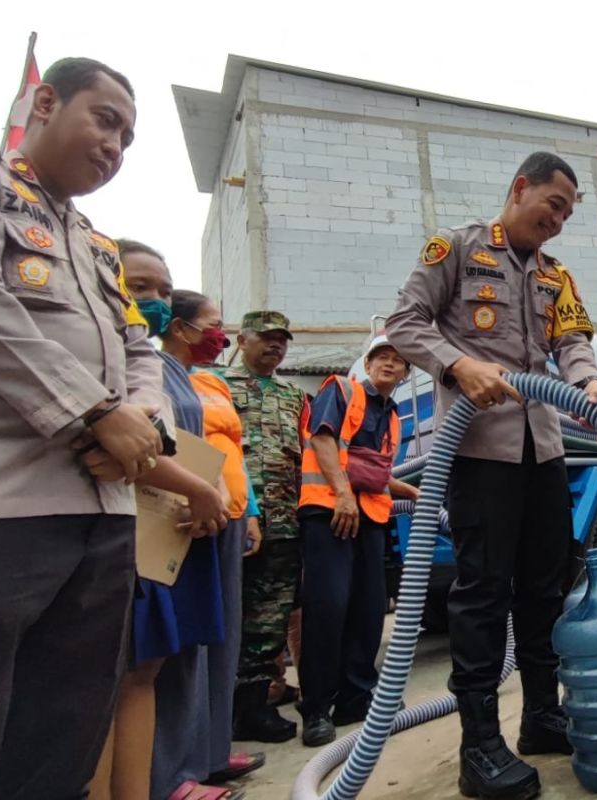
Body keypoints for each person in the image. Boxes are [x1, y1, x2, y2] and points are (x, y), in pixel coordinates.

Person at [386, 151, 597, 800]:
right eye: (554, 205)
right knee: (483, 593)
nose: (560, 221)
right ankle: (479, 745)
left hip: (543, 450)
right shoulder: (455, 249)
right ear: (519, 189)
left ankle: (543, 715)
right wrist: (458, 364)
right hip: (478, 451)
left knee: (545, 588)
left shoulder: (554, 274)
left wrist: (587, 382)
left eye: (569, 212)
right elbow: (404, 322)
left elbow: (571, 342)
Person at [0, 57, 168, 799]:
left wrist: (142, 421)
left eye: (127, 138)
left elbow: (137, 348)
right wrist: (93, 414)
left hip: (105, 512)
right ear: (47, 101)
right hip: (8, 508)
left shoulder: (96, 243)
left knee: (64, 730)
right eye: (106, 120)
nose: (114, 148)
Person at [115, 240, 268, 788]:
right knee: (163, 653)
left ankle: (206, 750)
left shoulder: (193, 377)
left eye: (161, 289)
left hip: (208, 514)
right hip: (164, 515)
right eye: (140, 289)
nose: (217, 335)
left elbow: (223, 451)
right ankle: (171, 770)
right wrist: (196, 495)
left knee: (211, 639)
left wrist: (238, 507)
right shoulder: (140, 366)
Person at [297, 335, 419, 746]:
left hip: (370, 517)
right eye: (382, 357)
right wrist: (343, 495)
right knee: (327, 607)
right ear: (368, 365)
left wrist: (417, 493)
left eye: (398, 360)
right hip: (330, 511)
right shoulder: (342, 389)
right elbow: (322, 438)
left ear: (406, 373)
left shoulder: (394, 415)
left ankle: (356, 696)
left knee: (368, 610)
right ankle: (316, 708)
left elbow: (373, 471)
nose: (389, 364)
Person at [214, 311, 307, 743]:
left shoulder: (293, 394)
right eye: (267, 338)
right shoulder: (217, 387)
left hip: (283, 522)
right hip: (228, 518)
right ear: (242, 339)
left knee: (268, 619)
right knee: (222, 613)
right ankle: (212, 714)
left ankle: (252, 710)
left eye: (282, 340)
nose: (276, 346)